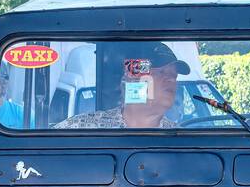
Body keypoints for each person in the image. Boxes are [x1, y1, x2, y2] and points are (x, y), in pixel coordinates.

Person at [54, 42, 186, 130]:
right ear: (132, 77)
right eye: (161, 72)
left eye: (174, 75)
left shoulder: (183, 142)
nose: (171, 80)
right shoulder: (83, 128)